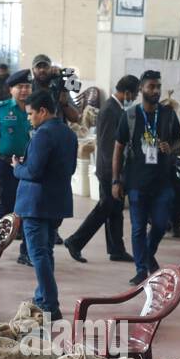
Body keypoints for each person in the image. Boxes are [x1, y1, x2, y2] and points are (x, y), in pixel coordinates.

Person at [112, 70, 180, 285]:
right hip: (136, 182)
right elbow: (118, 149)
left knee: (161, 224)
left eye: (158, 86)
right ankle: (141, 269)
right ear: (142, 88)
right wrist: (116, 180)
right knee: (137, 227)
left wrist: (169, 147)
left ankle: (147, 255)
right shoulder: (130, 116)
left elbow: (179, 142)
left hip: (163, 181)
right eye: (151, 86)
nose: (156, 90)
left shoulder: (168, 114)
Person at [14, 89, 78, 319]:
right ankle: (42, 296)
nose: (28, 118)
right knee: (46, 250)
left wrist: (17, 168)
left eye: (30, 114)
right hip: (56, 201)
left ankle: (50, 303)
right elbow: (70, 169)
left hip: (36, 203)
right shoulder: (69, 134)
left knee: (38, 253)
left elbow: (33, 171)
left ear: (42, 111)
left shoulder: (43, 134)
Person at [66, 75, 138, 265]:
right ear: (128, 92)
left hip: (112, 170)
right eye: (135, 93)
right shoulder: (109, 110)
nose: (135, 98)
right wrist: (115, 175)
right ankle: (75, 241)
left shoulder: (116, 109)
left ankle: (116, 249)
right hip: (109, 170)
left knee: (114, 210)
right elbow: (107, 146)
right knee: (105, 208)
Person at [0, 69, 31, 223]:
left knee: (27, 203)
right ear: (11, 89)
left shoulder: (36, 109)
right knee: (7, 203)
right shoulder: (1, 109)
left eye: (27, 86)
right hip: (7, 164)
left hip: (30, 165)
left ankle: (20, 233)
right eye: (20, 87)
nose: (24, 90)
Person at [29, 54, 80, 124]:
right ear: (33, 70)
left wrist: (64, 103)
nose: (42, 70)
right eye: (38, 67)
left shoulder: (59, 86)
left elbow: (75, 118)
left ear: (51, 68)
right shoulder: (28, 89)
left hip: (57, 130)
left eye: (45, 67)